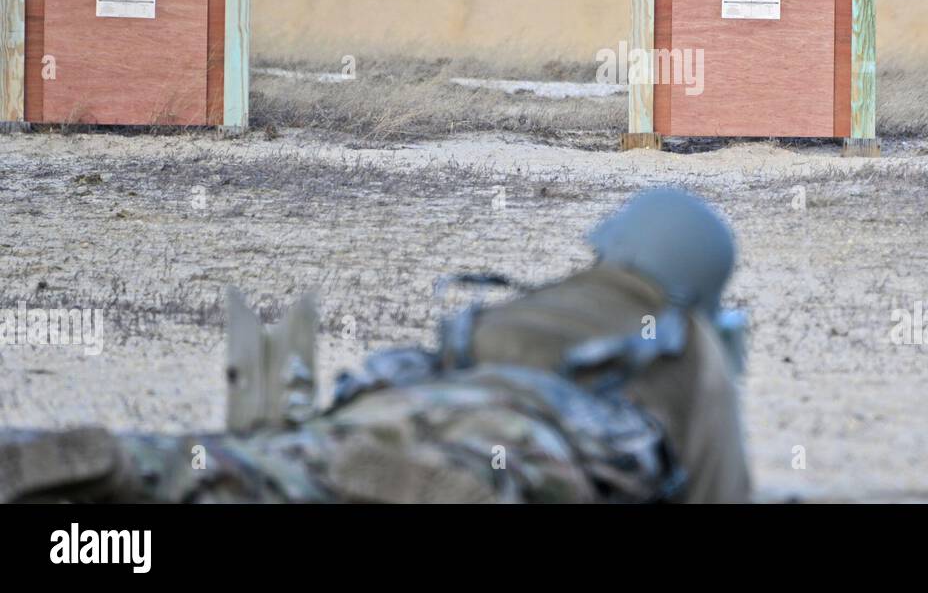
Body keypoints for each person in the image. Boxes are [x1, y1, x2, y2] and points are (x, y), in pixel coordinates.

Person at [0, 188, 751, 504]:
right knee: (498, 476)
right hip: (527, 439)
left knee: (268, 469)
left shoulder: (525, 307)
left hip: (395, 413)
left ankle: (128, 463)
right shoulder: (688, 347)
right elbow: (720, 490)